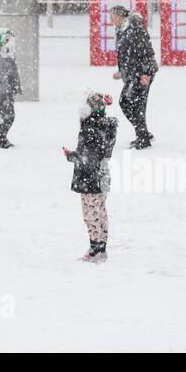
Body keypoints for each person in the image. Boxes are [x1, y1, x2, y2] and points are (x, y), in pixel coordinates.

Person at [63, 92, 118, 263]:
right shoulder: (107, 127)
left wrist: (71, 156)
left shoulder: (89, 130)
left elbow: (87, 158)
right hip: (102, 175)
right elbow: (100, 153)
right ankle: (101, 246)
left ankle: (95, 248)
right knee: (101, 211)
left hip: (90, 178)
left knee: (90, 213)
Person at [110, 4, 157, 148]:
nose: (112, 21)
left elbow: (146, 51)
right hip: (132, 73)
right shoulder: (122, 30)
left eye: (114, 17)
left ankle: (143, 137)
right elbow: (125, 54)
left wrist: (146, 73)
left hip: (141, 73)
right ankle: (143, 135)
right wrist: (122, 71)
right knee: (135, 105)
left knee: (127, 101)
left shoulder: (135, 29)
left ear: (121, 16)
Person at [0, 28, 23, 148]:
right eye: (7, 39)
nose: (10, 42)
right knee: (8, 115)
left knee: (7, 115)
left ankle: (2, 138)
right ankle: (1, 139)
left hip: (6, 90)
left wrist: (14, 86)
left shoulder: (7, 52)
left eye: (11, 39)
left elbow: (12, 72)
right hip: (1, 91)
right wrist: (4, 88)